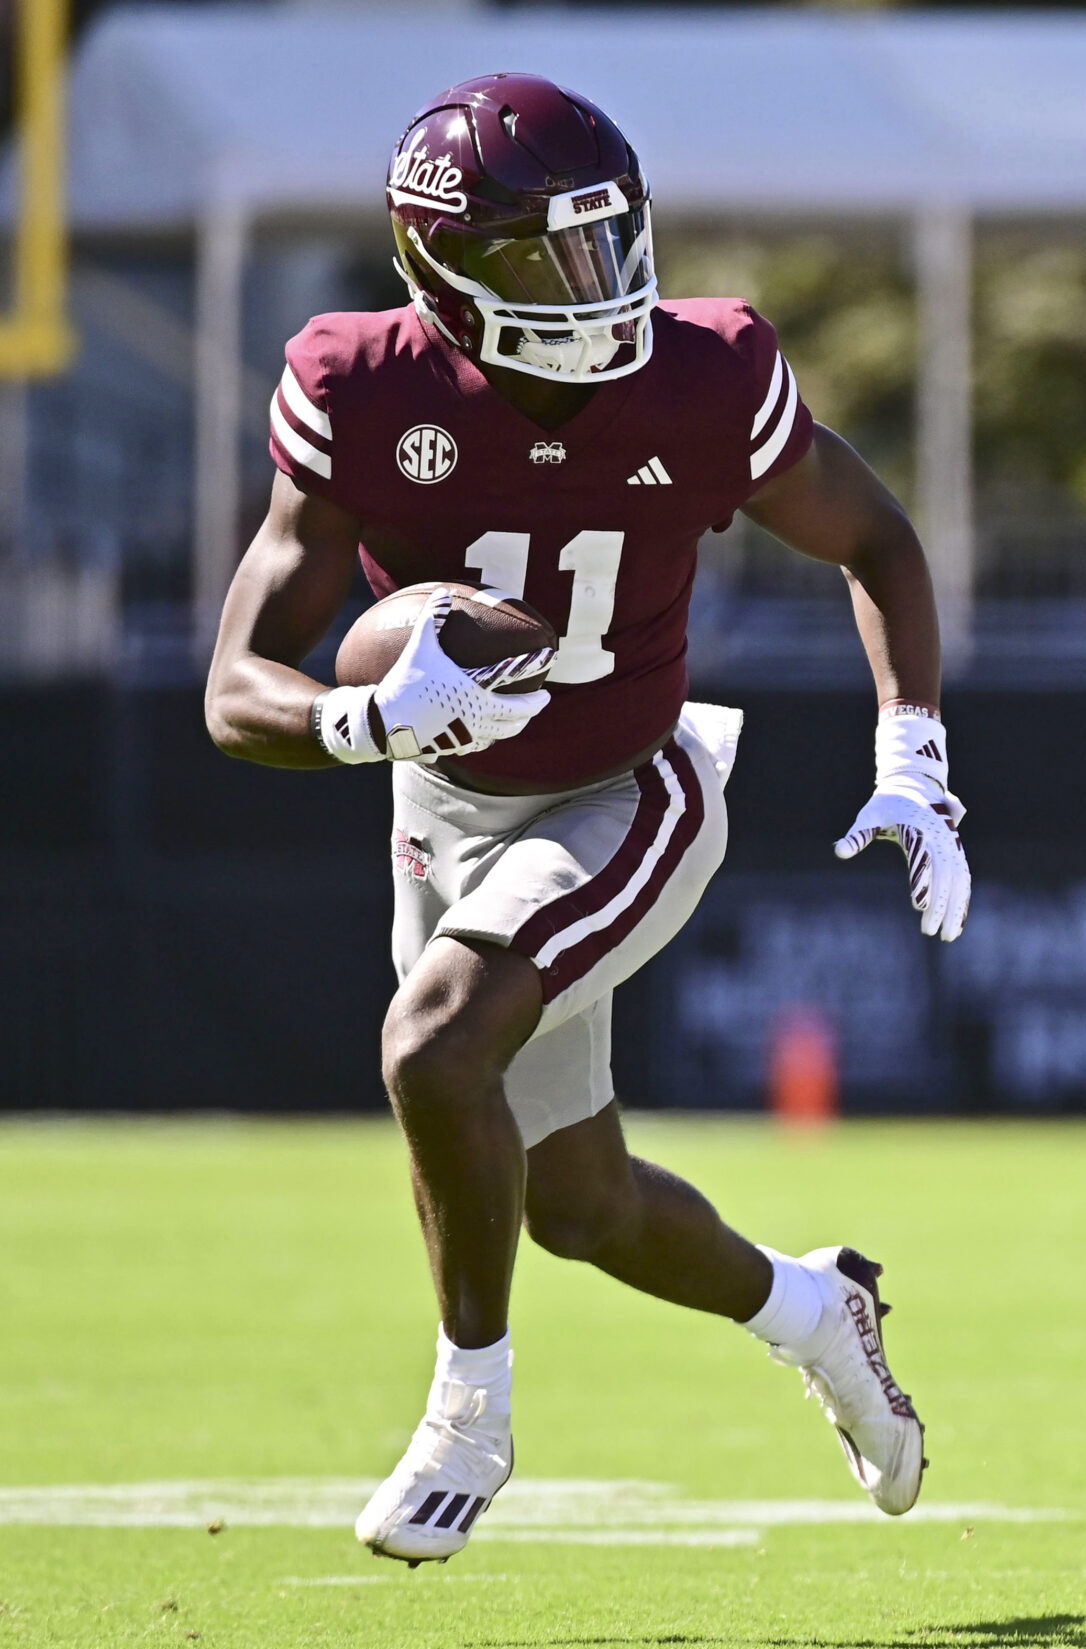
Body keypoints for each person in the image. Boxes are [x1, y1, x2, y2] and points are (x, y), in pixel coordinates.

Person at [203, 75, 970, 1566]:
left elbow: (872, 534)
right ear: (450, 267)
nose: (602, 284)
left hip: (634, 782)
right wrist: (367, 719)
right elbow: (237, 687)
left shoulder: (704, 371)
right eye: (554, 255)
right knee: (576, 1200)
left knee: (433, 1039)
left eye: (611, 240)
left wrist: (913, 751)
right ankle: (820, 1309)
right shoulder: (362, 386)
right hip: (447, 798)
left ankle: (468, 1414)